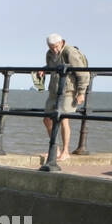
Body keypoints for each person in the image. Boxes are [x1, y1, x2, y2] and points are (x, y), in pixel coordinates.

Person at [36, 33, 89, 162]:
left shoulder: (70, 53)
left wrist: (81, 92)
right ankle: (55, 149)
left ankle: (65, 152)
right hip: (54, 91)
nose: (54, 49)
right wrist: (44, 70)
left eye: (56, 46)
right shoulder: (49, 53)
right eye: (51, 47)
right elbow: (51, 67)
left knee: (63, 119)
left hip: (68, 91)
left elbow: (83, 73)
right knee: (47, 119)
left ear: (61, 42)